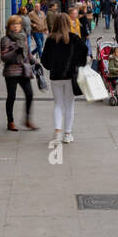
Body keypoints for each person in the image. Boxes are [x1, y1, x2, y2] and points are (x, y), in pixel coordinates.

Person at [41, 12, 88, 144]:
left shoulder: (50, 39)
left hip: (56, 76)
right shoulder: (74, 38)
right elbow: (84, 52)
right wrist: (77, 65)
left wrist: (52, 67)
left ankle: (57, 132)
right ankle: (67, 134)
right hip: (70, 76)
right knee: (69, 106)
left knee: (58, 104)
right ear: (68, 23)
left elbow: (44, 59)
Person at [0, 14, 37, 132]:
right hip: (11, 72)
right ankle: (10, 121)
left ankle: (27, 119)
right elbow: (4, 57)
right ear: (9, 26)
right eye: (13, 24)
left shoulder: (24, 37)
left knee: (30, 94)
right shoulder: (6, 39)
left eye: (18, 24)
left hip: (23, 70)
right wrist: (16, 51)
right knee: (11, 96)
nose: (16, 26)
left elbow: (28, 53)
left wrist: (34, 61)